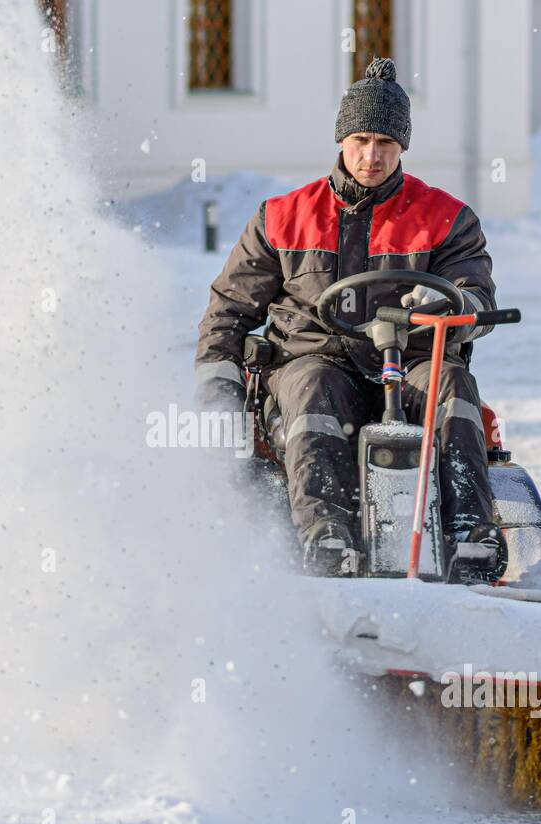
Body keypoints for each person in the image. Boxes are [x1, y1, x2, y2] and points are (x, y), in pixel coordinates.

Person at [194, 57, 504, 576]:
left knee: (450, 385)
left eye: (385, 143)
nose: (372, 155)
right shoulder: (281, 217)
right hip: (313, 362)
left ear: (402, 146)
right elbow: (226, 312)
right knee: (312, 386)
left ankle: (470, 535)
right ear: (342, 140)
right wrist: (216, 391)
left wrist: (449, 301)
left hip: (409, 366)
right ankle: (327, 537)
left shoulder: (446, 218)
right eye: (361, 140)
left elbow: (477, 295)